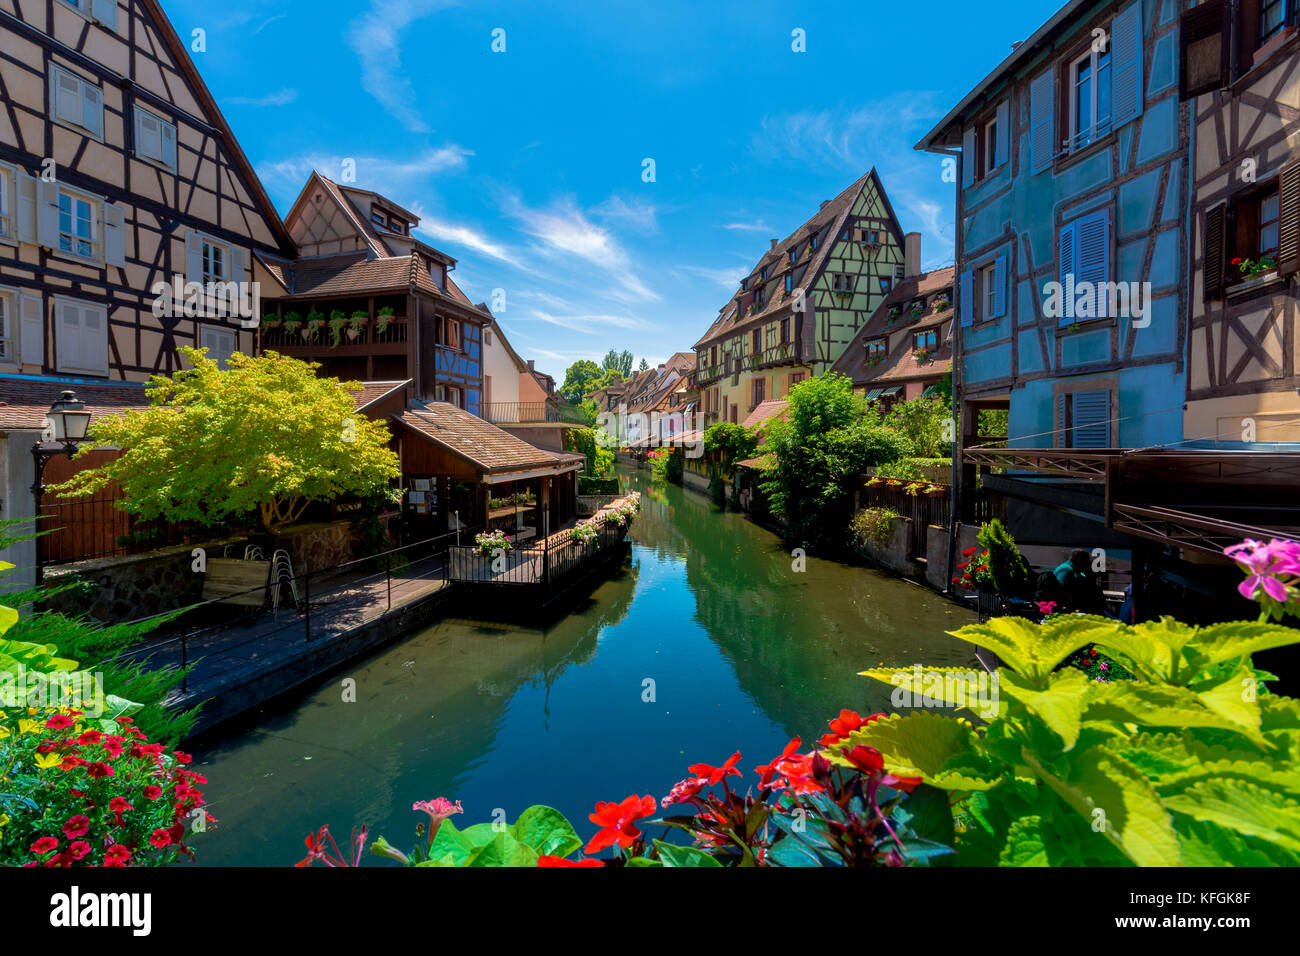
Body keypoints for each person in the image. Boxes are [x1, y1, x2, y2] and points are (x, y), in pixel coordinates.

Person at [1046, 548, 1109, 615]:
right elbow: (1060, 589)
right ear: (1076, 558)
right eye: (1085, 559)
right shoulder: (1066, 569)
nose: (1087, 561)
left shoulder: (1075, 569)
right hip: (1070, 605)